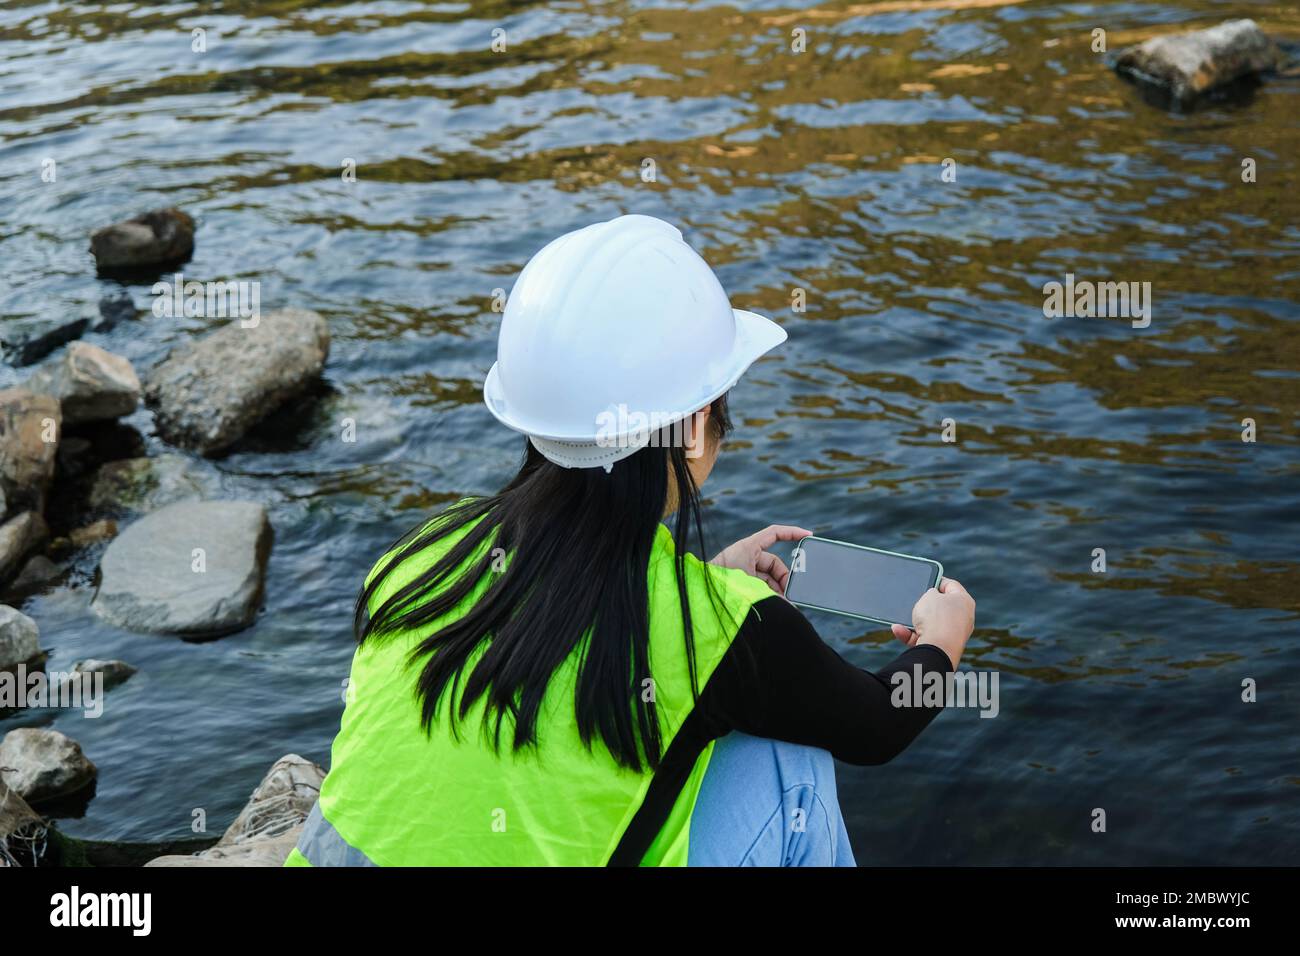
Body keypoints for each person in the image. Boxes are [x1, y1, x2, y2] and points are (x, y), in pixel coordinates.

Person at [287, 214, 975, 867]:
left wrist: (701, 576)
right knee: (790, 760)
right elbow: (877, 726)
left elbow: (562, 631)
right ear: (697, 423)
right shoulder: (724, 626)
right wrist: (942, 641)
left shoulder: (422, 553)